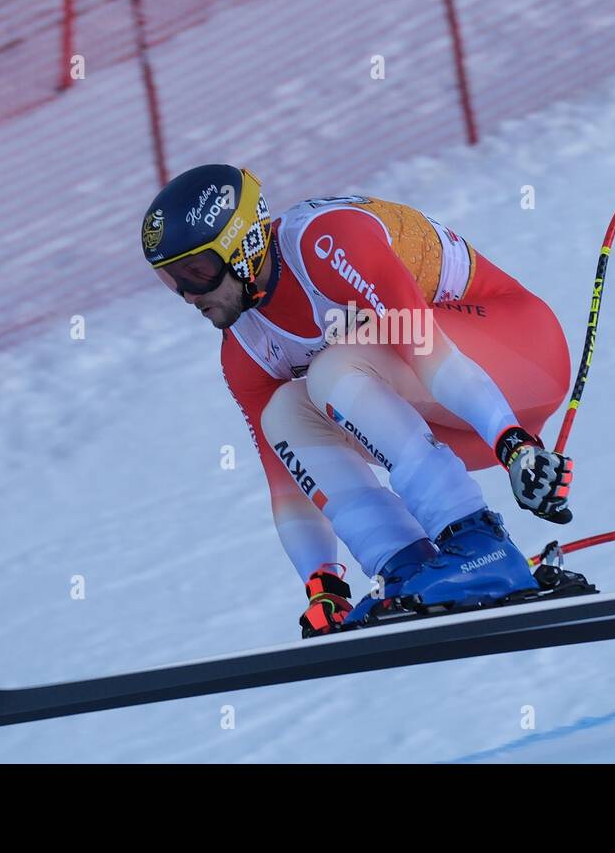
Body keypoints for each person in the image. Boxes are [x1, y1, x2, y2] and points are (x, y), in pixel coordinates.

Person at [142, 164, 574, 636]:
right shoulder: (243, 352)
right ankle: (406, 565)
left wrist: (513, 444)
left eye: (196, 273)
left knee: (333, 368)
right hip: (447, 421)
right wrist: (321, 584)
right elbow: (287, 483)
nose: (186, 295)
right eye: (171, 280)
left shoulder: (325, 245)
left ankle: (479, 546)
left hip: (517, 358)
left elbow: (430, 356)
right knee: (284, 412)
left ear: (242, 248)